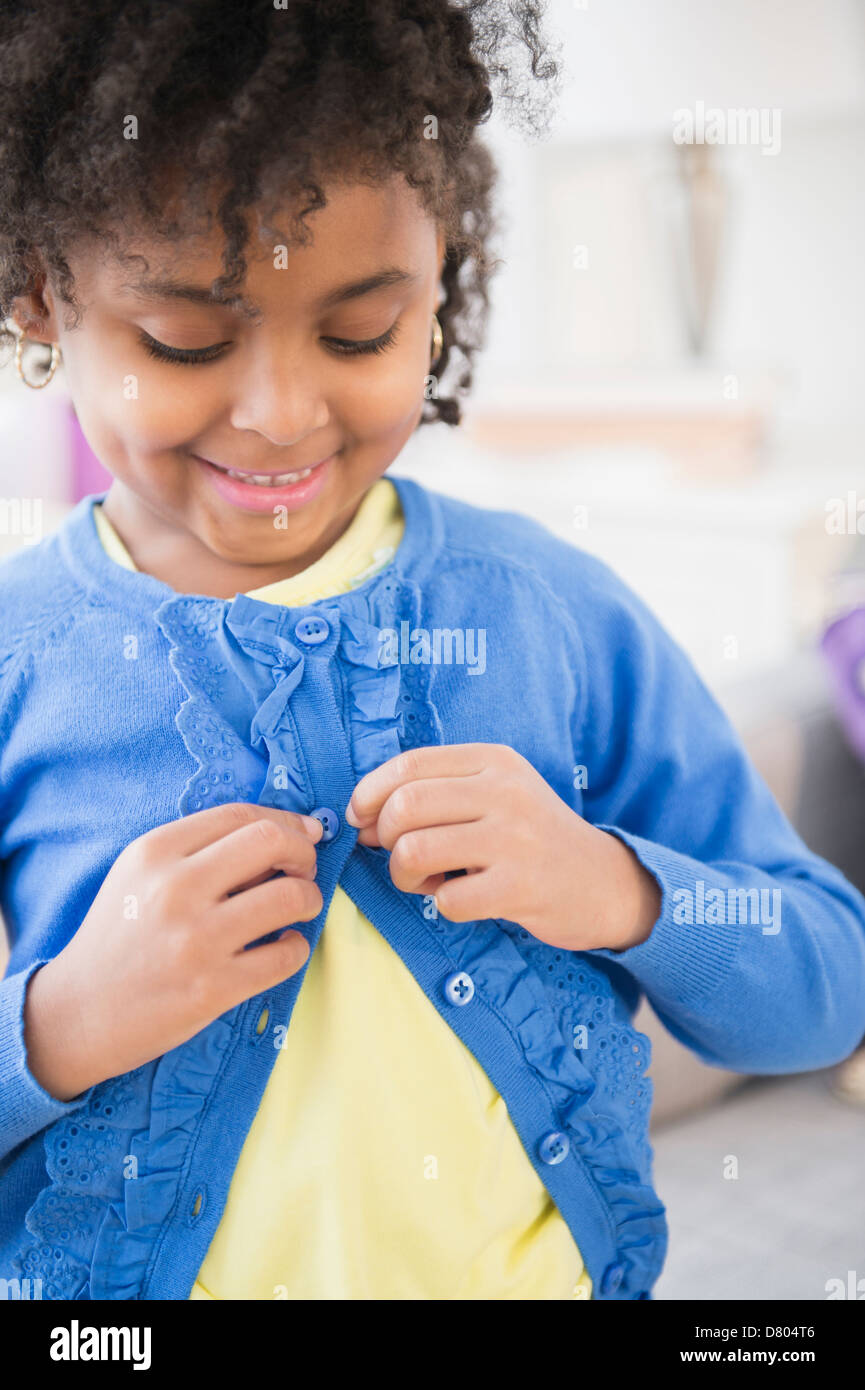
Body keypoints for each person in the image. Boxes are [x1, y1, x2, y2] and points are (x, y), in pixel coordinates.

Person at [1, 0, 864, 1302]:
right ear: (40, 298)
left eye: (359, 332)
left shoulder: (552, 609)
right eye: (185, 340)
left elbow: (823, 979)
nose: (283, 413)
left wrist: (618, 889)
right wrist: (61, 1023)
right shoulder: (24, 654)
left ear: (441, 284)